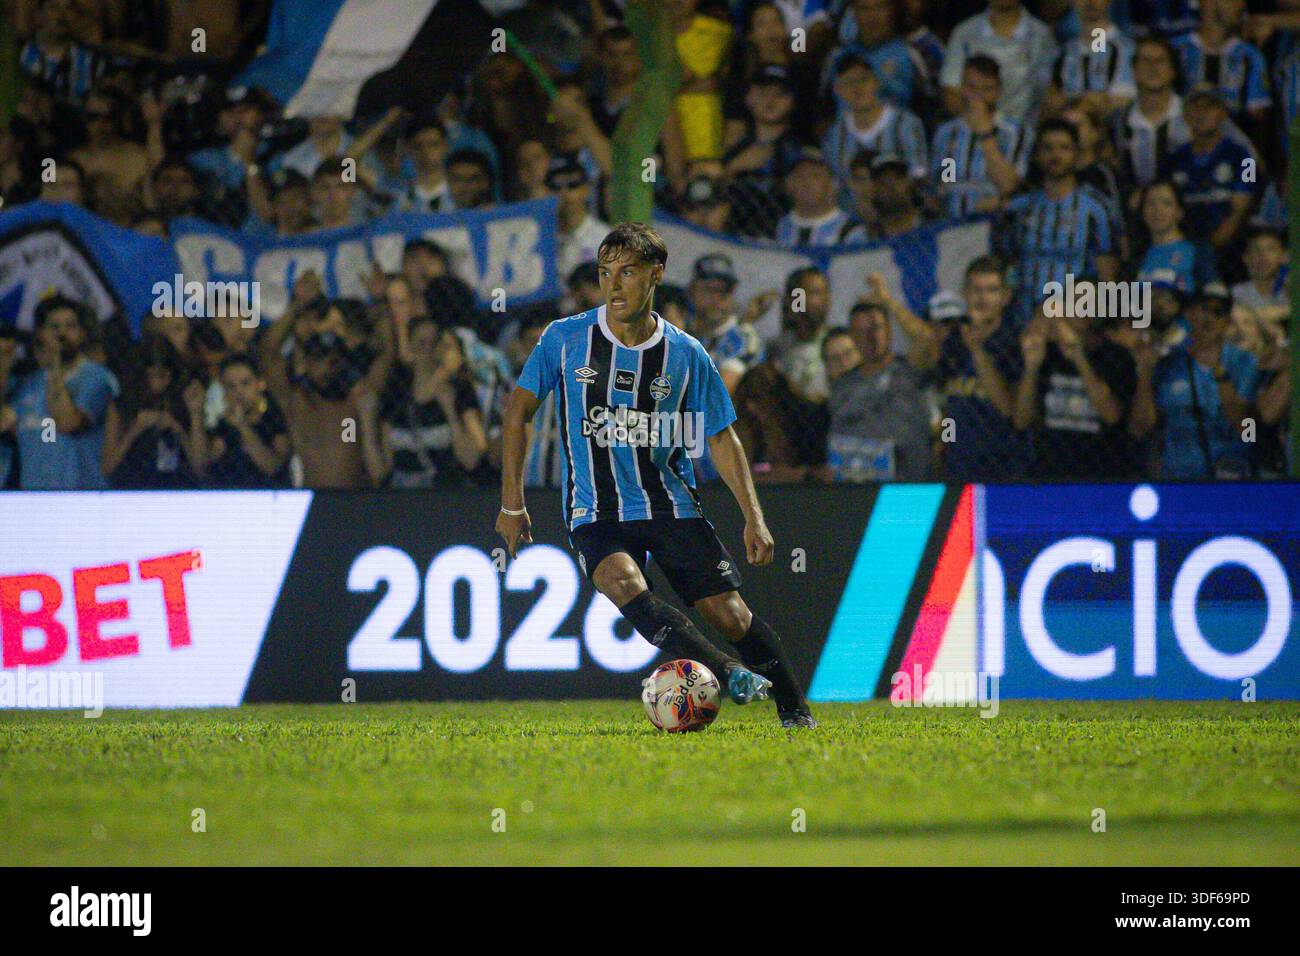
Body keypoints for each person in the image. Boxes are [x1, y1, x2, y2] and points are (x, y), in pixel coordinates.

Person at [495, 221, 816, 729]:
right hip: (595, 508)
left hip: (670, 505)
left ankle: (795, 710)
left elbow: (722, 437)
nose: (614, 284)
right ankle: (727, 671)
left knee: (729, 615)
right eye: (605, 273)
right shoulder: (564, 338)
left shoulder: (687, 354)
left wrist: (753, 517)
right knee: (621, 580)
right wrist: (513, 504)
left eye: (627, 272)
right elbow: (517, 414)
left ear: (656, 275)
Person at [1130, 282, 1260, 478]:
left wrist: (1220, 375)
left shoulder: (1245, 362)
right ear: (1189, 314)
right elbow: (1140, 428)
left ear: (1227, 321)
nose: (1209, 318)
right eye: (1203, 309)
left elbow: (1248, 432)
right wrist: (1146, 373)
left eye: (1218, 312)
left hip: (1230, 477)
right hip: (1178, 476)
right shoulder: (1169, 364)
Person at [1013, 291, 1138, 479]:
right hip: (1051, 472)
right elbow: (1021, 420)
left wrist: (1079, 358)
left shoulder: (1116, 356)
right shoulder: (1047, 355)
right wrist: (1032, 367)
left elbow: (1112, 416)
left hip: (1105, 472)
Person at [358, 317, 488, 488]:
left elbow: (472, 461)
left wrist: (450, 411)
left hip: (448, 492)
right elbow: (381, 472)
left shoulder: (459, 391)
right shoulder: (397, 393)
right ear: (411, 346)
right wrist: (366, 421)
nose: (427, 350)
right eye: (421, 343)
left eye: (433, 343)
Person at [3, 296, 118, 489]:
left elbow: (67, 422)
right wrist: (4, 363)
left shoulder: (98, 379)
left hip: (81, 501)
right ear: (40, 334)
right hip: (34, 502)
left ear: (82, 333)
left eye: (70, 326)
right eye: (54, 327)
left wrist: (54, 365)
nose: (62, 334)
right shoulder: (30, 383)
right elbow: (5, 422)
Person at [932, 257, 1024, 480]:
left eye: (991, 290)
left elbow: (1009, 409)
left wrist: (977, 351)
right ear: (965, 294)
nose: (982, 298)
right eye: (975, 290)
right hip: (958, 466)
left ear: (1006, 297)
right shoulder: (953, 343)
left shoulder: (1015, 344)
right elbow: (948, 406)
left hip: (1003, 468)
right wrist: (946, 442)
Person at [821, 311, 931, 481]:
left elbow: (926, 341)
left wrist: (887, 300)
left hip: (907, 484)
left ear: (889, 331)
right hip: (853, 487)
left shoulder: (905, 373)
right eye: (861, 332)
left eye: (876, 328)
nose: (870, 337)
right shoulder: (840, 391)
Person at [100, 335, 206, 488]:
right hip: (132, 489)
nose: (156, 383)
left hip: (177, 489)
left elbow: (200, 467)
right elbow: (107, 467)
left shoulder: (183, 403)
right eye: (150, 376)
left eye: (162, 376)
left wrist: (179, 428)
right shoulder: (122, 406)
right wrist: (135, 428)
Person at [200, 353, 292, 488]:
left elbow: (273, 467)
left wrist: (242, 426)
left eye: (245, 383)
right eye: (231, 386)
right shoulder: (220, 425)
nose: (239, 392)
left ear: (260, 384)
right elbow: (203, 466)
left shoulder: (275, 419)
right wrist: (196, 414)